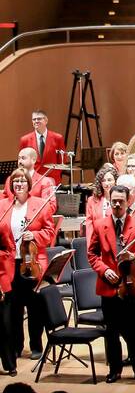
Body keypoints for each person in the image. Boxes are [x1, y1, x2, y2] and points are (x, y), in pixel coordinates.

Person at [87, 184, 135, 383]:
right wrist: (105, 270)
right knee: (111, 331)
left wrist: (133, 256)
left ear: (128, 202)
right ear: (110, 202)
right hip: (109, 286)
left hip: (131, 285)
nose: (117, 204)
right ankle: (114, 370)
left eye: (121, 201)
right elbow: (92, 254)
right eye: (114, 201)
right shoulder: (99, 224)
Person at [0, 169, 56, 362]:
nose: (19, 184)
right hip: (9, 263)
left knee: (34, 306)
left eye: (23, 181)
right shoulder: (3, 206)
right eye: (16, 181)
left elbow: (50, 232)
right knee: (14, 307)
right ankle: (16, 346)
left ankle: (36, 346)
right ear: (11, 184)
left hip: (31, 261)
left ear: (29, 184)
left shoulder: (39, 205)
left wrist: (35, 236)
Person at [18, 110, 66, 186]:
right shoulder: (25, 140)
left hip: (52, 180)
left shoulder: (58, 138)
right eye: (34, 119)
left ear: (46, 120)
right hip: (33, 180)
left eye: (39, 119)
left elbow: (62, 161)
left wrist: (54, 176)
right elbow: (22, 161)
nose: (36, 121)